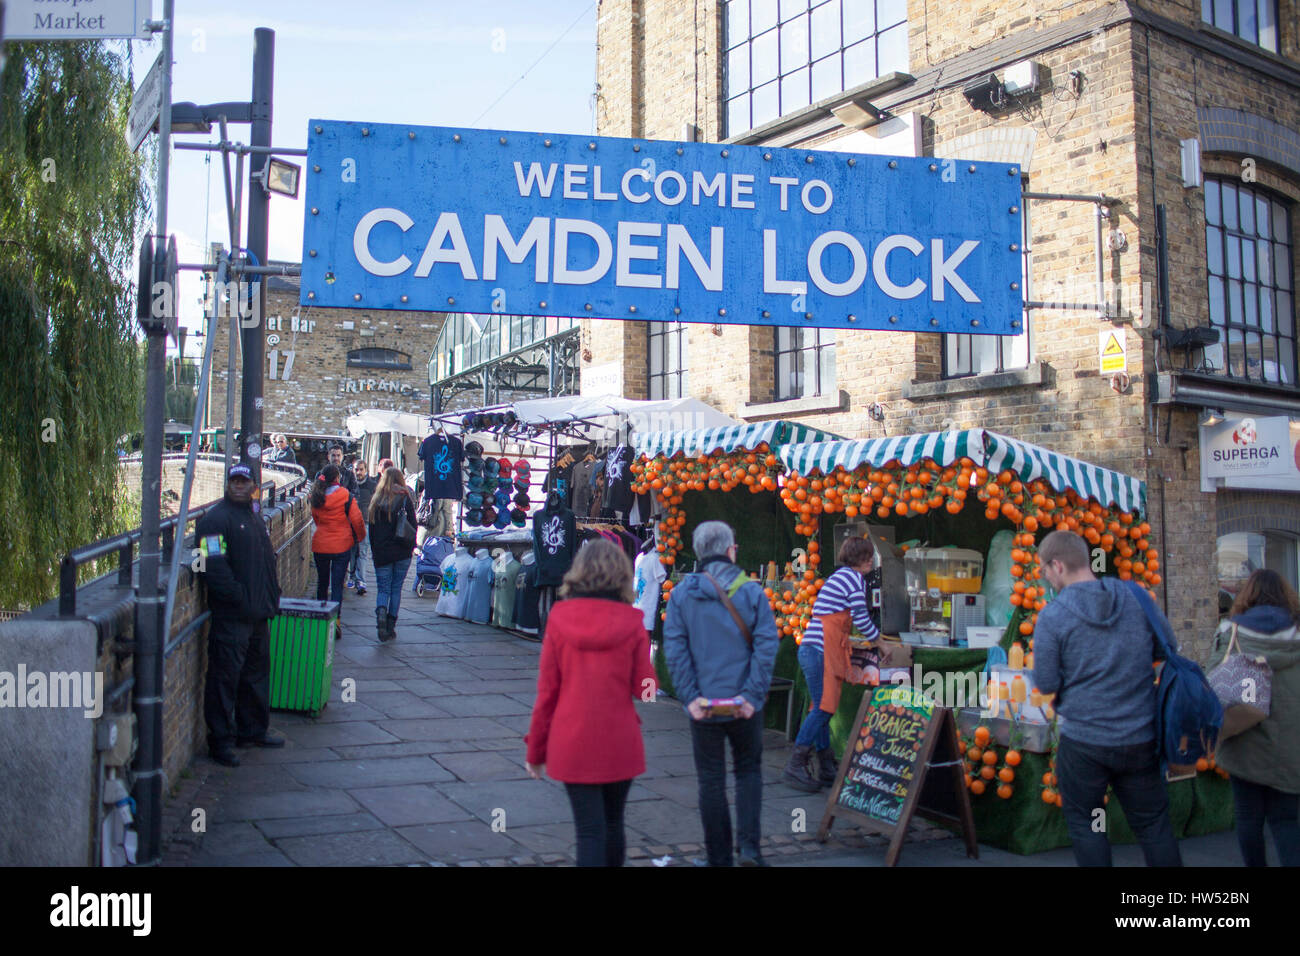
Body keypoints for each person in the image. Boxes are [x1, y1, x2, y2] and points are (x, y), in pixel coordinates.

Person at [1031, 529, 1182, 867]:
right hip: (1139, 737)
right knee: (1153, 827)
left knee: (1089, 824)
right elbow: (1166, 648)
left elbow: (1046, 681)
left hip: (1084, 742)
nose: (1045, 577)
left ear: (1057, 565)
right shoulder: (1136, 599)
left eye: (1043, 569)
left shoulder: (1054, 616)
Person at [525, 539, 655, 867]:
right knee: (613, 823)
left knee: (589, 830)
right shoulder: (633, 620)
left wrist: (535, 751)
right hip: (620, 739)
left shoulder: (559, 617)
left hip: (573, 739)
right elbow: (646, 690)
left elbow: (547, 693)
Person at [663, 521, 780, 866]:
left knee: (710, 780)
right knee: (748, 772)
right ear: (731, 551)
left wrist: (690, 697)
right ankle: (750, 851)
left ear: (699, 553)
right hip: (744, 705)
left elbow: (675, 649)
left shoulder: (682, 593)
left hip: (704, 704)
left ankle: (718, 859)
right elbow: (766, 645)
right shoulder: (752, 591)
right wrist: (751, 696)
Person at [194, 463, 284, 767]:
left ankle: (253, 730)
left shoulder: (253, 517)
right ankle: (220, 741)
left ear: (253, 485)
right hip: (233, 616)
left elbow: (264, 561)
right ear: (227, 484)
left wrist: (270, 596)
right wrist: (239, 599)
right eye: (234, 481)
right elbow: (213, 566)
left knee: (255, 676)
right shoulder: (214, 521)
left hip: (258, 613)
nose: (238, 486)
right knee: (224, 679)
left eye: (244, 481)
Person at [1212, 569, 1300, 867]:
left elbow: (1213, 680)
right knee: (1287, 821)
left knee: (1248, 818)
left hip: (1244, 742)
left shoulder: (1231, 633)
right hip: (1292, 746)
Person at [783, 535, 879, 792]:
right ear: (857, 559)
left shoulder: (840, 577)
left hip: (815, 650)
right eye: (866, 556)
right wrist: (882, 643)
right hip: (818, 651)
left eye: (870, 555)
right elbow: (862, 618)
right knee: (824, 709)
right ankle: (796, 763)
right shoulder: (853, 579)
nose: (870, 560)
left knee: (822, 707)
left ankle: (826, 766)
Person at [310, 464, 365, 636]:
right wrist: (360, 537)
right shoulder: (345, 495)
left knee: (322, 583)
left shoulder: (317, 496)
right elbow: (357, 519)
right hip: (341, 545)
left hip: (321, 544)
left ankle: (320, 619)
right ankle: (335, 623)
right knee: (337, 585)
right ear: (338, 478)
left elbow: (316, 519)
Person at [367, 466, 418, 642]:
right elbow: (413, 526)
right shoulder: (405, 498)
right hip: (402, 551)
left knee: (383, 588)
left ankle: (380, 615)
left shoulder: (376, 500)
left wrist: (375, 552)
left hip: (382, 552)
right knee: (396, 589)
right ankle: (390, 626)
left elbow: (371, 531)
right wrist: (410, 547)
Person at [347, 460, 377, 595]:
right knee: (352, 552)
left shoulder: (372, 485)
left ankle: (361, 581)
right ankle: (351, 577)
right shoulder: (348, 484)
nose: (358, 472)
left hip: (365, 522)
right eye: (356, 469)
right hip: (349, 523)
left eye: (361, 469)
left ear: (366, 470)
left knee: (363, 552)